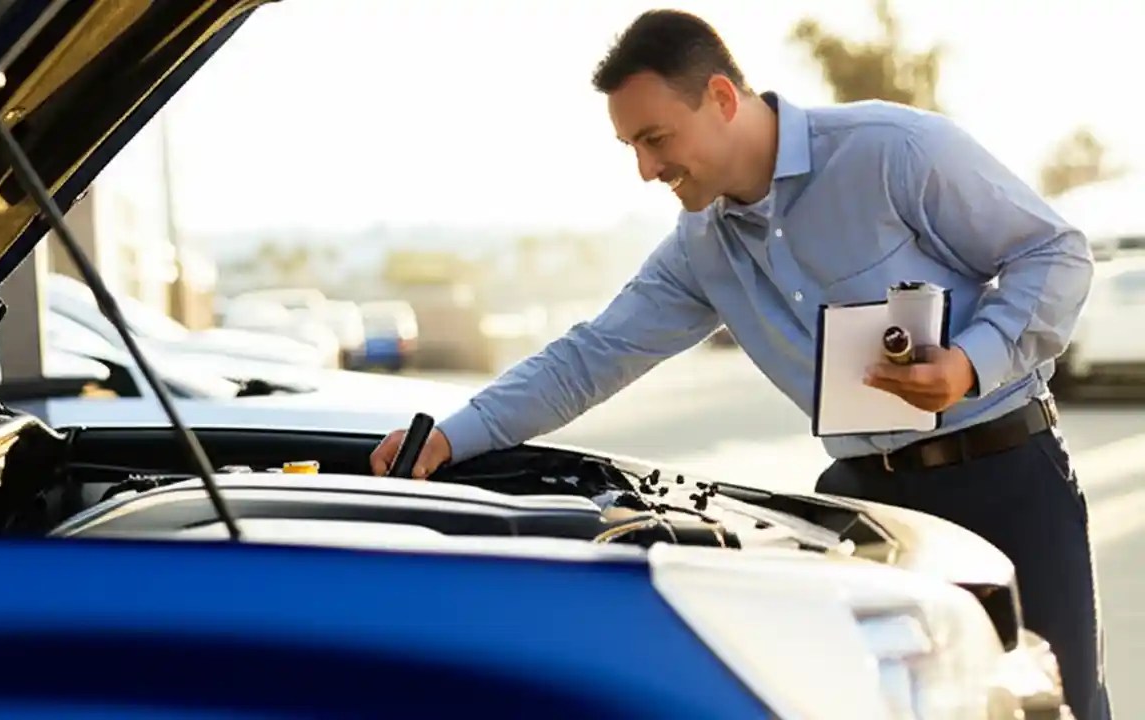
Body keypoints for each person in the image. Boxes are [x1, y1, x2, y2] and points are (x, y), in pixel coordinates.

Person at [369, 9, 1109, 719]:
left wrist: (970, 365)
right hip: (870, 508)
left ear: (722, 97)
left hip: (1007, 481)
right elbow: (591, 356)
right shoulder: (700, 247)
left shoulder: (893, 150)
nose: (646, 169)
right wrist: (452, 435)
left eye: (656, 138)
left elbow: (1055, 251)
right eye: (631, 146)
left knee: (1058, 706)